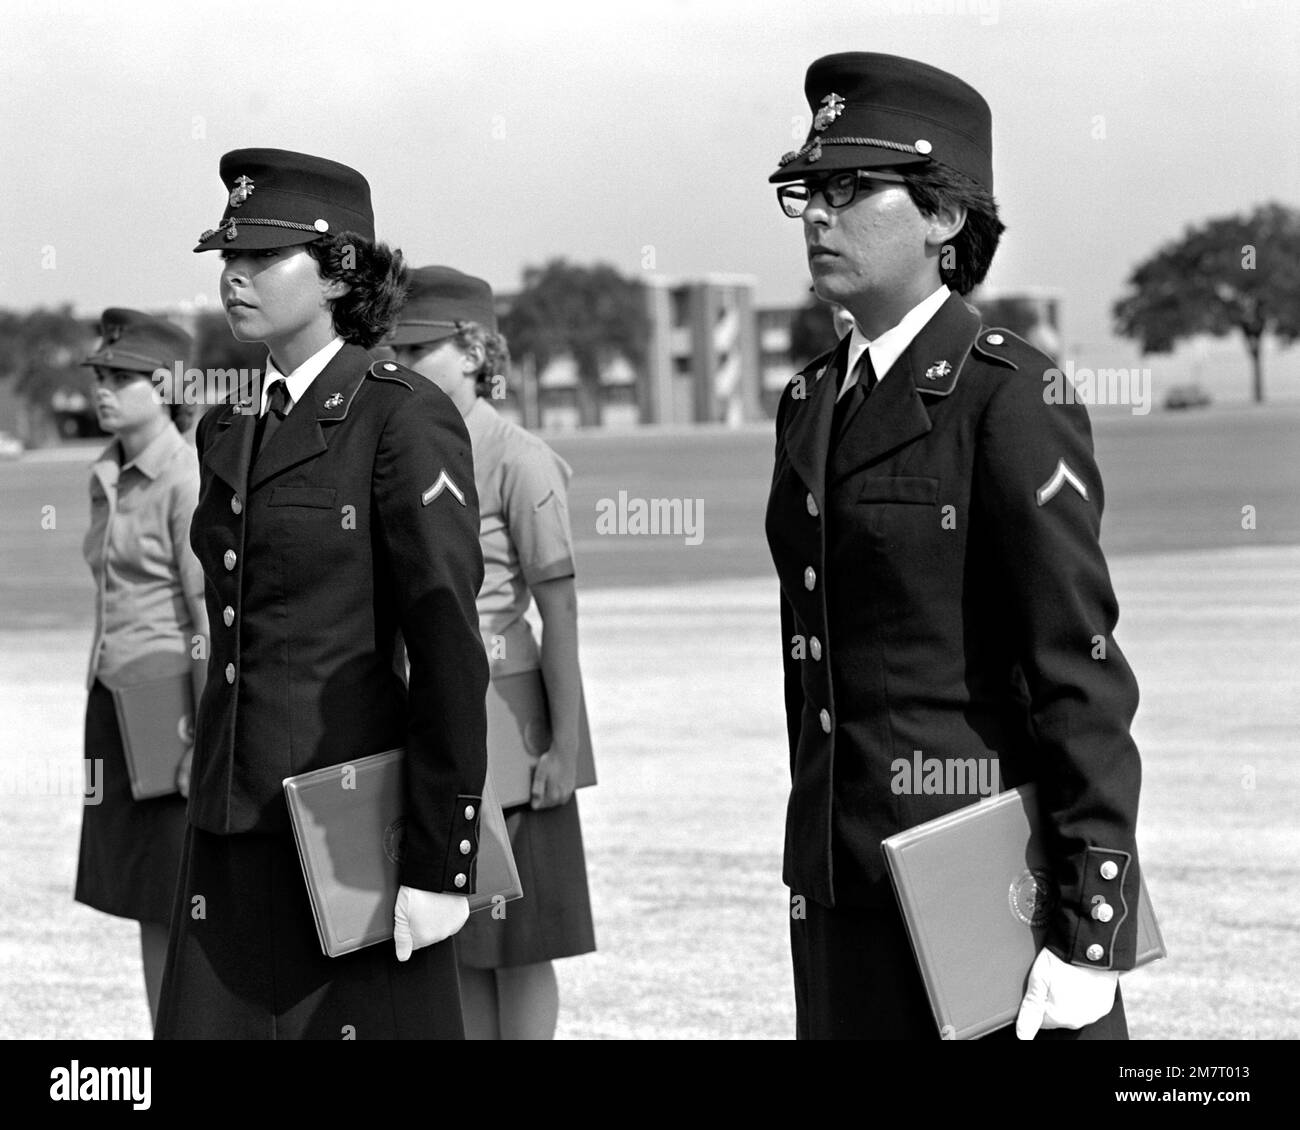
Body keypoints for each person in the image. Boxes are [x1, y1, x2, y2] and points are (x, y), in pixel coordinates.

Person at [765, 53, 1144, 1040]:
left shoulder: (1006, 397)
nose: (816, 213)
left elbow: (1077, 668)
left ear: (941, 217)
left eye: (851, 189)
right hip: (842, 882)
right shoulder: (808, 401)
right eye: (808, 189)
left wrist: (1090, 929)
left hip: (980, 890)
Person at [154, 149, 488, 1039]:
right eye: (228, 257)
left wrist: (441, 860)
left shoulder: (398, 416)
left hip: (345, 841)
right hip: (230, 828)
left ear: (340, 270)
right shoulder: (227, 426)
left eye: (262, 258)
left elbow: (448, 642)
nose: (235, 276)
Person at [390, 266, 596, 1040]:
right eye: (398, 350)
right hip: (433, 715)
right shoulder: (406, 448)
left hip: (511, 718)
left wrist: (563, 747)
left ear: (476, 352)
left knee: (520, 940)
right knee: (464, 941)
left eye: (422, 348)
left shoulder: (520, 458)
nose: (405, 365)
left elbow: (559, 605)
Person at [75, 309, 206, 1028]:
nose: (104, 389)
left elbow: (204, 618)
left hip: (169, 708)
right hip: (116, 696)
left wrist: (199, 732)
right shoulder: (108, 474)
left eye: (121, 377)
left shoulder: (185, 478)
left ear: (166, 386)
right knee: (146, 901)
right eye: (99, 375)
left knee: (181, 898)